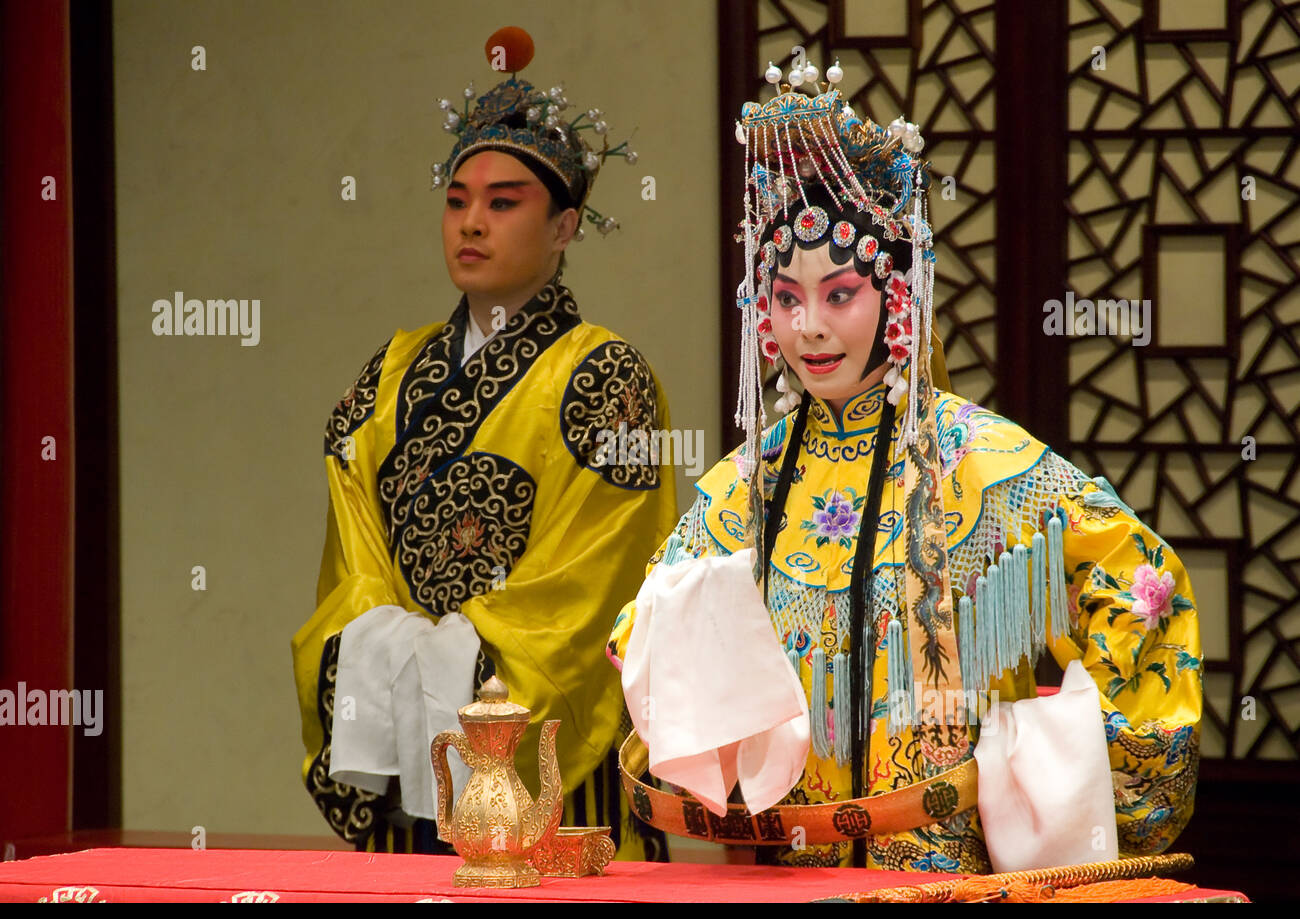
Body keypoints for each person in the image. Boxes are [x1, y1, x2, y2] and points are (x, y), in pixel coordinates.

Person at [607, 60, 1202, 871]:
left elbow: (1143, 591)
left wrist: (1041, 763)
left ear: (900, 296)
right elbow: (641, 638)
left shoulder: (984, 463)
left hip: (942, 877)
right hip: (783, 877)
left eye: (840, 294)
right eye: (785, 297)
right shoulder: (746, 484)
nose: (808, 327)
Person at [292, 33, 676, 858]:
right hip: (405, 757)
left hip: (548, 769)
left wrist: (458, 667)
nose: (471, 221)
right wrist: (391, 654)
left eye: (504, 203)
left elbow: (594, 587)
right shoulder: (389, 377)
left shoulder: (605, 379)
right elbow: (352, 566)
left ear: (565, 223)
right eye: (457, 198)